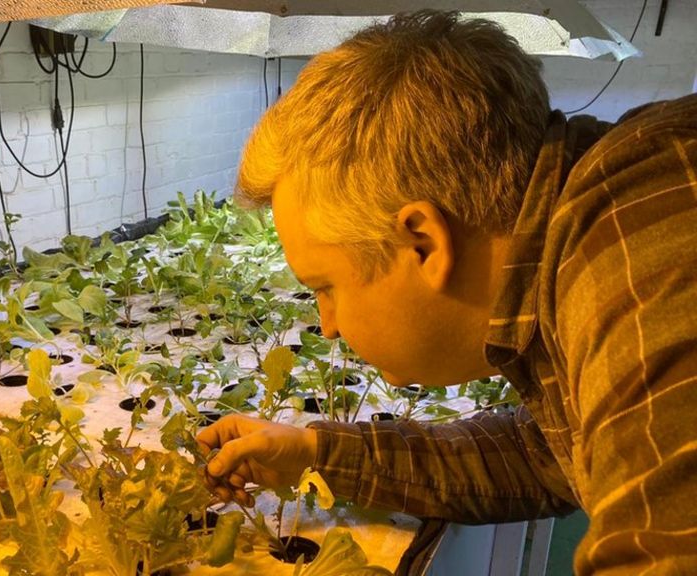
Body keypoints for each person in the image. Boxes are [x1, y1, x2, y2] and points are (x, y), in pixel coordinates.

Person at [197, 10, 697, 575]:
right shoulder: (578, 242)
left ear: (424, 244)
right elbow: (547, 456)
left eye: (326, 287)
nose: (329, 324)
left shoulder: (645, 239)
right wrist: (315, 453)